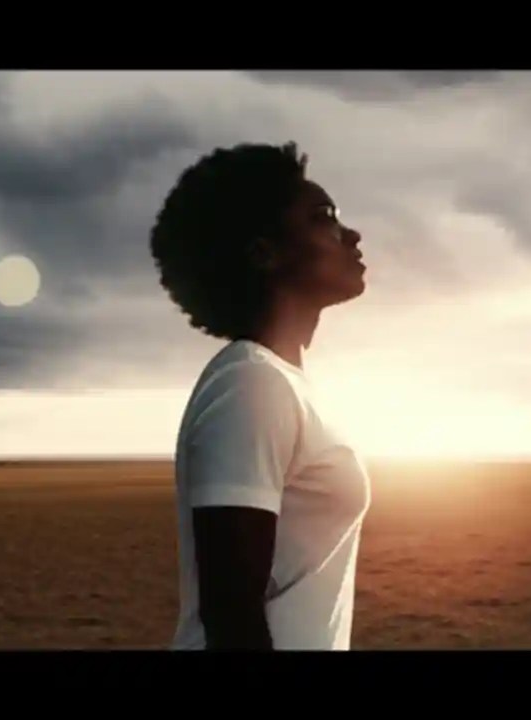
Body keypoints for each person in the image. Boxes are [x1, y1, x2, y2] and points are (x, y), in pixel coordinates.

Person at [149, 141, 372, 650]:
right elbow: (231, 616)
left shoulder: (283, 383)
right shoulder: (251, 384)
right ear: (264, 253)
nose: (351, 235)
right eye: (324, 218)